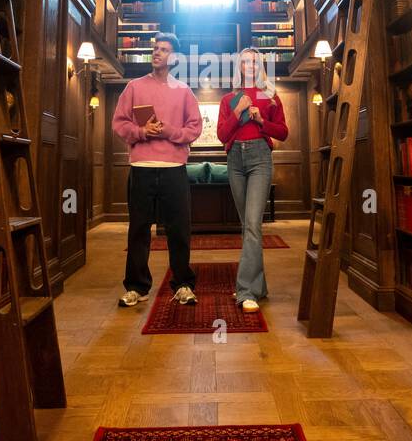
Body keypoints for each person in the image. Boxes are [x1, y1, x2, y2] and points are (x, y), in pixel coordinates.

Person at [111, 32, 203, 308]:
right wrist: (142, 131)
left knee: (179, 230)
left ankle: (183, 284)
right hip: (141, 168)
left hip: (174, 168)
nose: (156, 53)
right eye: (155, 48)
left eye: (163, 49)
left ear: (173, 57)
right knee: (138, 230)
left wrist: (166, 130)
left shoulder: (184, 91)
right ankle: (137, 287)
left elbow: (194, 129)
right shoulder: (134, 87)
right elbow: (119, 124)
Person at [216, 47, 288, 312]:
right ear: (239, 67)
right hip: (235, 160)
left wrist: (260, 120)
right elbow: (223, 136)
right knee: (247, 226)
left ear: (261, 66)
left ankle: (246, 291)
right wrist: (239, 112)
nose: (250, 65)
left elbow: (283, 132)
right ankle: (260, 286)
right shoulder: (229, 99)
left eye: (255, 61)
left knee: (253, 225)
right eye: (245, 61)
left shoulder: (270, 96)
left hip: (259, 158)